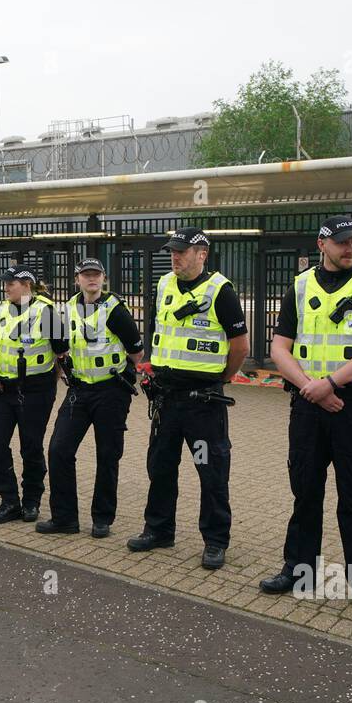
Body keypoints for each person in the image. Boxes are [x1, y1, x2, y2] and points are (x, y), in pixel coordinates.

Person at [259, 216, 352, 618]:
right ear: (322, 244)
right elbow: (280, 348)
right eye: (342, 242)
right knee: (305, 492)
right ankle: (298, 571)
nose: (350, 248)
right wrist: (312, 388)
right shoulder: (300, 286)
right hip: (308, 404)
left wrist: (331, 385)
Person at [128, 226, 249, 571]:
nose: (175, 257)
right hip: (167, 400)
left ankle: (214, 541)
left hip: (203, 404)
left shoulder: (220, 290)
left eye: (182, 251)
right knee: (161, 467)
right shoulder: (165, 284)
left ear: (202, 254)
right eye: (173, 251)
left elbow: (240, 346)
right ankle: (158, 529)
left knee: (210, 472)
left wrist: (220, 379)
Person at [38, 258, 144, 536]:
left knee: (107, 455)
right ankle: (65, 519)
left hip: (111, 391)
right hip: (80, 390)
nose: (91, 279)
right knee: (59, 450)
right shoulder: (67, 308)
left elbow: (137, 353)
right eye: (86, 275)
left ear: (104, 278)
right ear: (77, 280)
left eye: (96, 274)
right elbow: (59, 347)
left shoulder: (115, 309)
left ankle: (102, 519)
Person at [0, 266, 65, 525]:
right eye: (5, 283)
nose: (6, 287)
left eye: (12, 283)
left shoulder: (46, 310)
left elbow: (61, 350)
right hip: (2, 388)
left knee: (30, 447)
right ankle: (8, 500)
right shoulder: (1, 309)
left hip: (35, 390)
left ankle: (31, 500)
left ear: (27, 285)